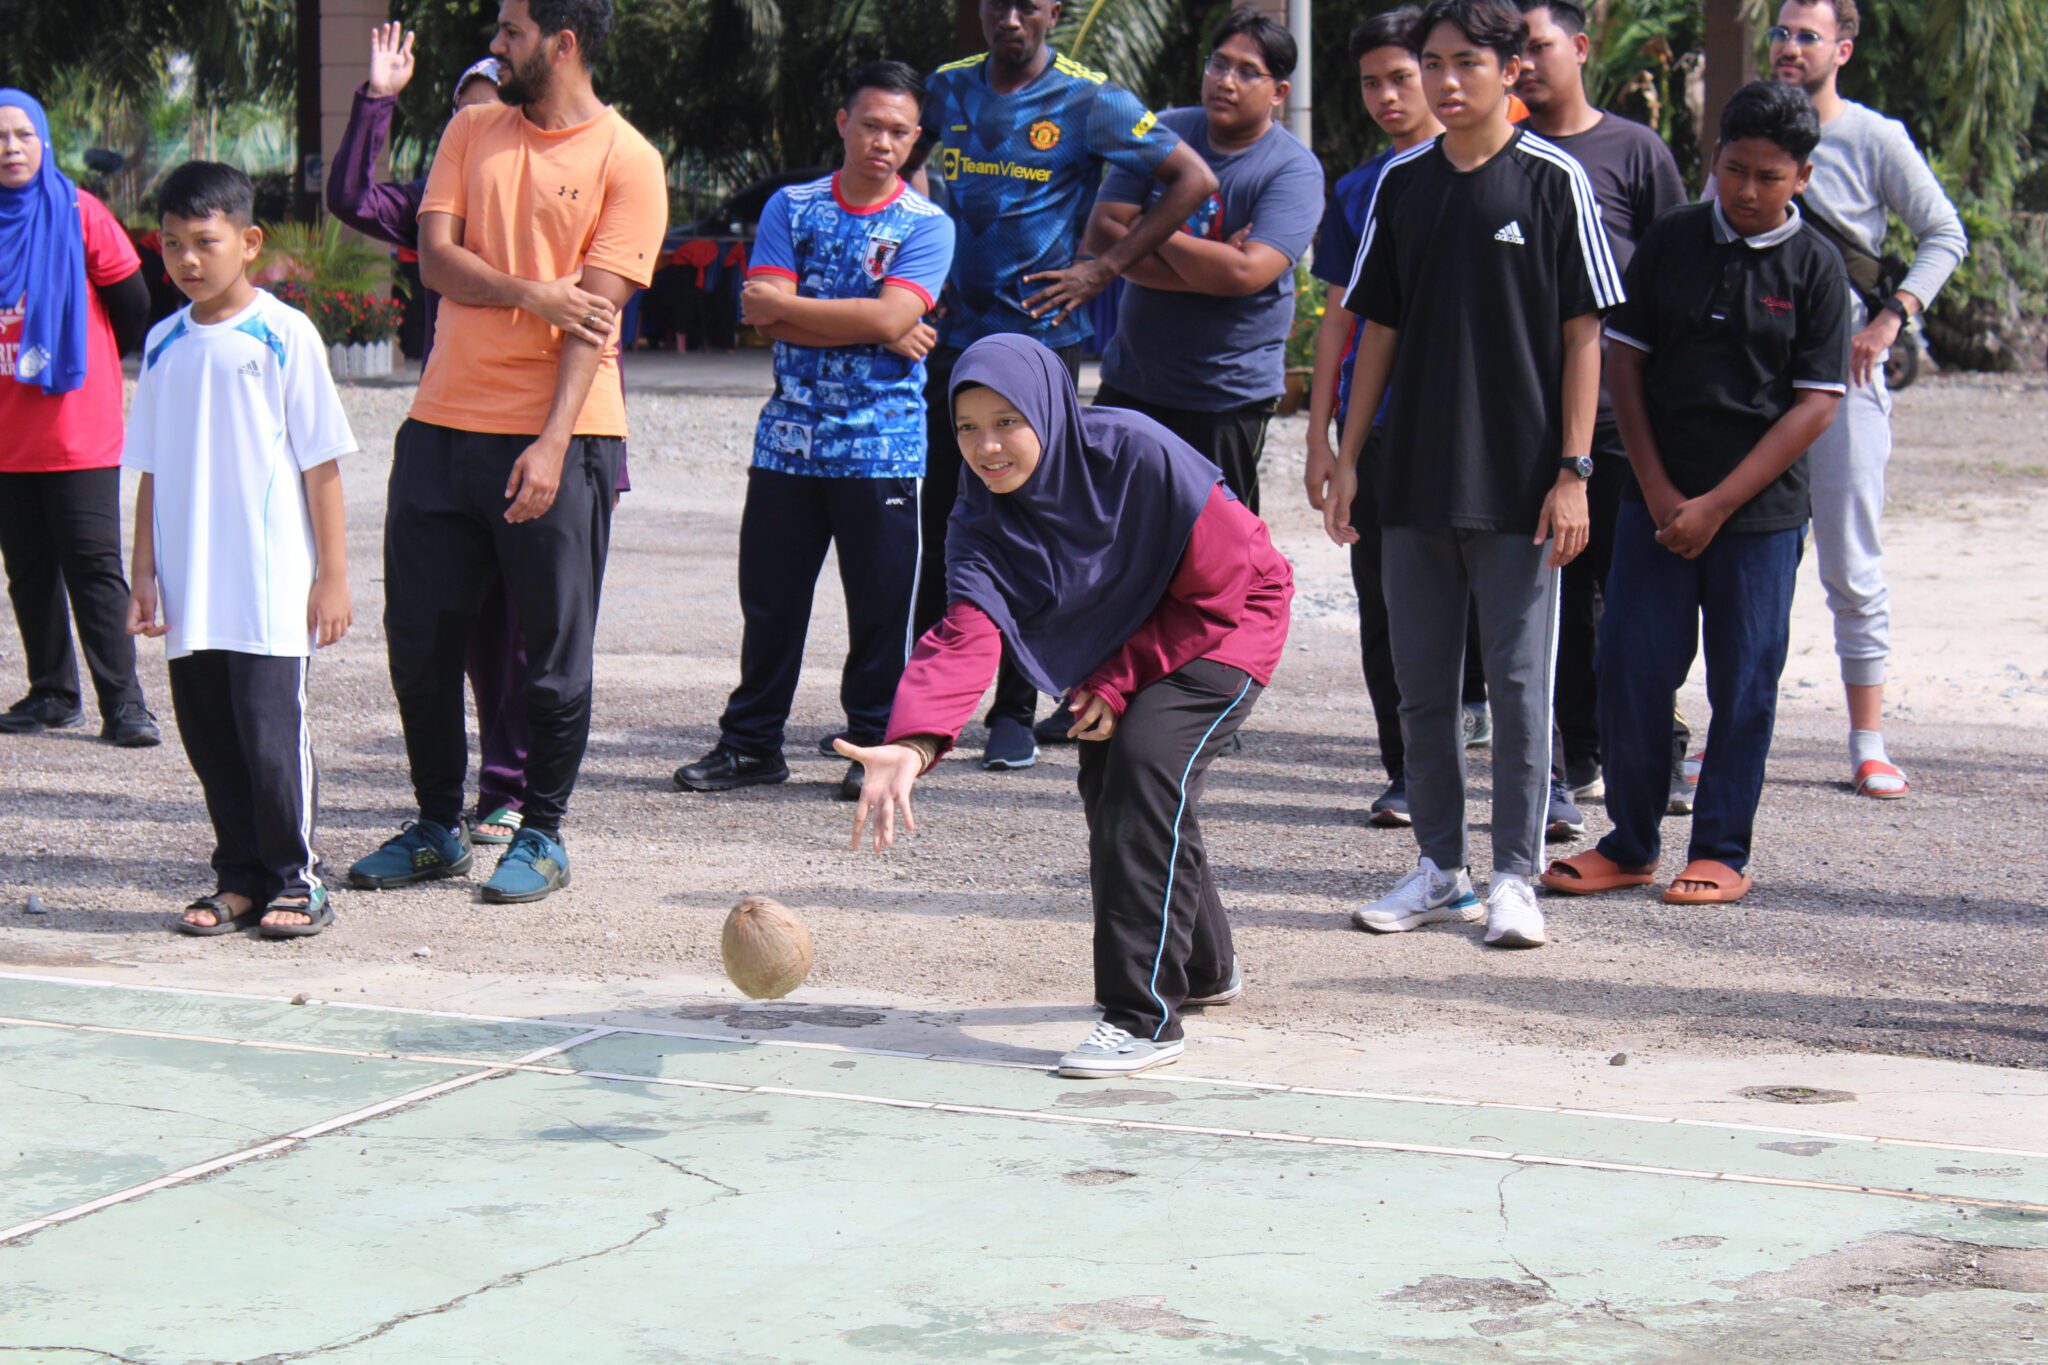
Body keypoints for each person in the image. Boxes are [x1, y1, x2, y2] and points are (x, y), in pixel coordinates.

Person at [838, 335, 1292, 1078]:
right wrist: (913, 740)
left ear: (1048, 409)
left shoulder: (1139, 452)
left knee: (1141, 767)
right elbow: (967, 631)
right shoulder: (978, 515)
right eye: (967, 427)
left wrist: (1117, 680)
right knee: (1117, 785)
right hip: (1136, 633)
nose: (987, 447)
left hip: (1232, 617)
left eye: (1007, 422)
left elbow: (1224, 584)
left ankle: (1143, 1017)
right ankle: (1204, 967)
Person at [346, 0, 666, 904]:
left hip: (563, 432)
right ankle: (436, 826)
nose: (495, 45)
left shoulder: (629, 160)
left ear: (563, 44)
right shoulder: (472, 130)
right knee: (420, 639)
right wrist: (534, 292)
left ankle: (544, 832)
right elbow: (435, 261)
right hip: (441, 424)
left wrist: (552, 444)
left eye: (512, 32)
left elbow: (592, 318)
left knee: (551, 654)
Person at [1327, 0, 1619, 950]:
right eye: (1433, 63)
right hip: (1411, 475)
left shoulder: (1553, 179)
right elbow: (1377, 329)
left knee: (1521, 687)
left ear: (1510, 70)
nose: (1446, 82)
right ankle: (1440, 869)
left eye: (1467, 63)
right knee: (1422, 685)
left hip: (1521, 482)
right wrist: (1346, 458)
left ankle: (1515, 878)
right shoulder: (1401, 183)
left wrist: (1573, 471)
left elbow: (1585, 334)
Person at [1542, 80, 1849, 905]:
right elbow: (1625, 363)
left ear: (1803, 177)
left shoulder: (1817, 267)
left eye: (1769, 177)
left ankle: (1720, 849)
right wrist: (1657, 489)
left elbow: (1815, 404)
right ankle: (1630, 842)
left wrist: (1715, 505)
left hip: (1758, 516)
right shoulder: (1673, 240)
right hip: (1654, 500)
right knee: (1630, 666)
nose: (1747, 191)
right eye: (1734, 169)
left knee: (1744, 680)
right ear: (1714, 159)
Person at [912, 0, 1218, 770]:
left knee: (1029, 527)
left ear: (1054, 10)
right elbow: (902, 165)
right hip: (953, 343)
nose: (1011, 17)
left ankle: (1014, 712)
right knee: (943, 526)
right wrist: (916, 267)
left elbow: (1192, 178)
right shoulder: (945, 87)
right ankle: (917, 711)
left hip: (1037, 349)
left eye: (1030, 3)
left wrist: (1103, 268)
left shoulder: (1091, 98)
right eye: (997, 3)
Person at [672, 62, 954, 803]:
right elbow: (761, 311)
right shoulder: (791, 206)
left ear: (915, 139)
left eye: (899, 131)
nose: (882, 143)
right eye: (871, 125)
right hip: (787, 443)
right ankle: (751, 745)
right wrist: (876, 323)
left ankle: (874, 747)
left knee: (881, 613)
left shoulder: (927, 225)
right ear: (842, 123)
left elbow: (869, 313)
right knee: (770, 603)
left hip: (882, 446)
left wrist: (808, 311)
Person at [123, 162, 357, 938]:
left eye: (205, 241)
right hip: (191, 587)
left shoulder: (284, 334)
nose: (188, 259)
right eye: (172, 244)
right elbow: (151, 467)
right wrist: (143, 572)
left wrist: (332, 576)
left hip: (268, 586)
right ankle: (240, 878)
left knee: (269, 738)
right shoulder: (163, 343)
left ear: (249, 242)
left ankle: (297, 879)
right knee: (211, 739)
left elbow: (320, 465)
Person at [1768, 0, 1966, 801]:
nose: (1789, 47)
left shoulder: (1875, 137)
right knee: (1753, 564)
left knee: (1850, 562)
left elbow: (1945, 233)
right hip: (1756, 381)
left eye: (1806, 36)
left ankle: (1868, 742)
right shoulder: (1752, 126)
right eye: (1780, 33)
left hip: (1845, 378)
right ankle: (1739, 730)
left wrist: (1892, 318)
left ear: (1842, 50)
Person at [1302, 9, 1492, 828]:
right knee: (1385, 605)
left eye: (1401, 77)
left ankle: (1542, 775)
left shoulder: (1508, 171)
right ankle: (1408, 770)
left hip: (1481, 427)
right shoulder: (1359, 189)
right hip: (1378, 429)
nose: (1387, 96)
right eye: (1370, 83)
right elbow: (1339, 320)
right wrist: (1323, 437)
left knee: (1497, 606)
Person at [1514, 0, 1690, 834]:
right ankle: (1564, 763)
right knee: (1546, 609)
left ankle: (1652, 749)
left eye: (1538, 46)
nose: (1524, 63)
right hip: (1525, 425)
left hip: (1622, 423)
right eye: (1512, 49)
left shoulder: (1635, 150)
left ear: (1580, 48)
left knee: (1633, 603)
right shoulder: (1498, 155)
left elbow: (1674, 274)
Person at [1081, 8, 1324, 517]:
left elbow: (1245, 274)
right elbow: (1102, 234)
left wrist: (1148, 228)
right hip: (1133, 380)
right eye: (1219, 64)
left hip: (1225, 396)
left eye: (1248, 72)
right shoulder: (1164, 132)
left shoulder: (1292, 170)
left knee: (1216, 541)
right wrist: (1212, 265)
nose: (1226, 81)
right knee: (1111, 532)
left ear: (1279, 92)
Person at [0, 89, 159, 747]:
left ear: (43, 141)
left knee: (93, 565)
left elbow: (133, 303)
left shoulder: (80, 212)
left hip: (75, 430)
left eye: (21, 135)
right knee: (29, 569)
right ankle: (53, 693)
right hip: (6, 435)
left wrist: (86, 363)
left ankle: (124, 704)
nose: (10, 148)